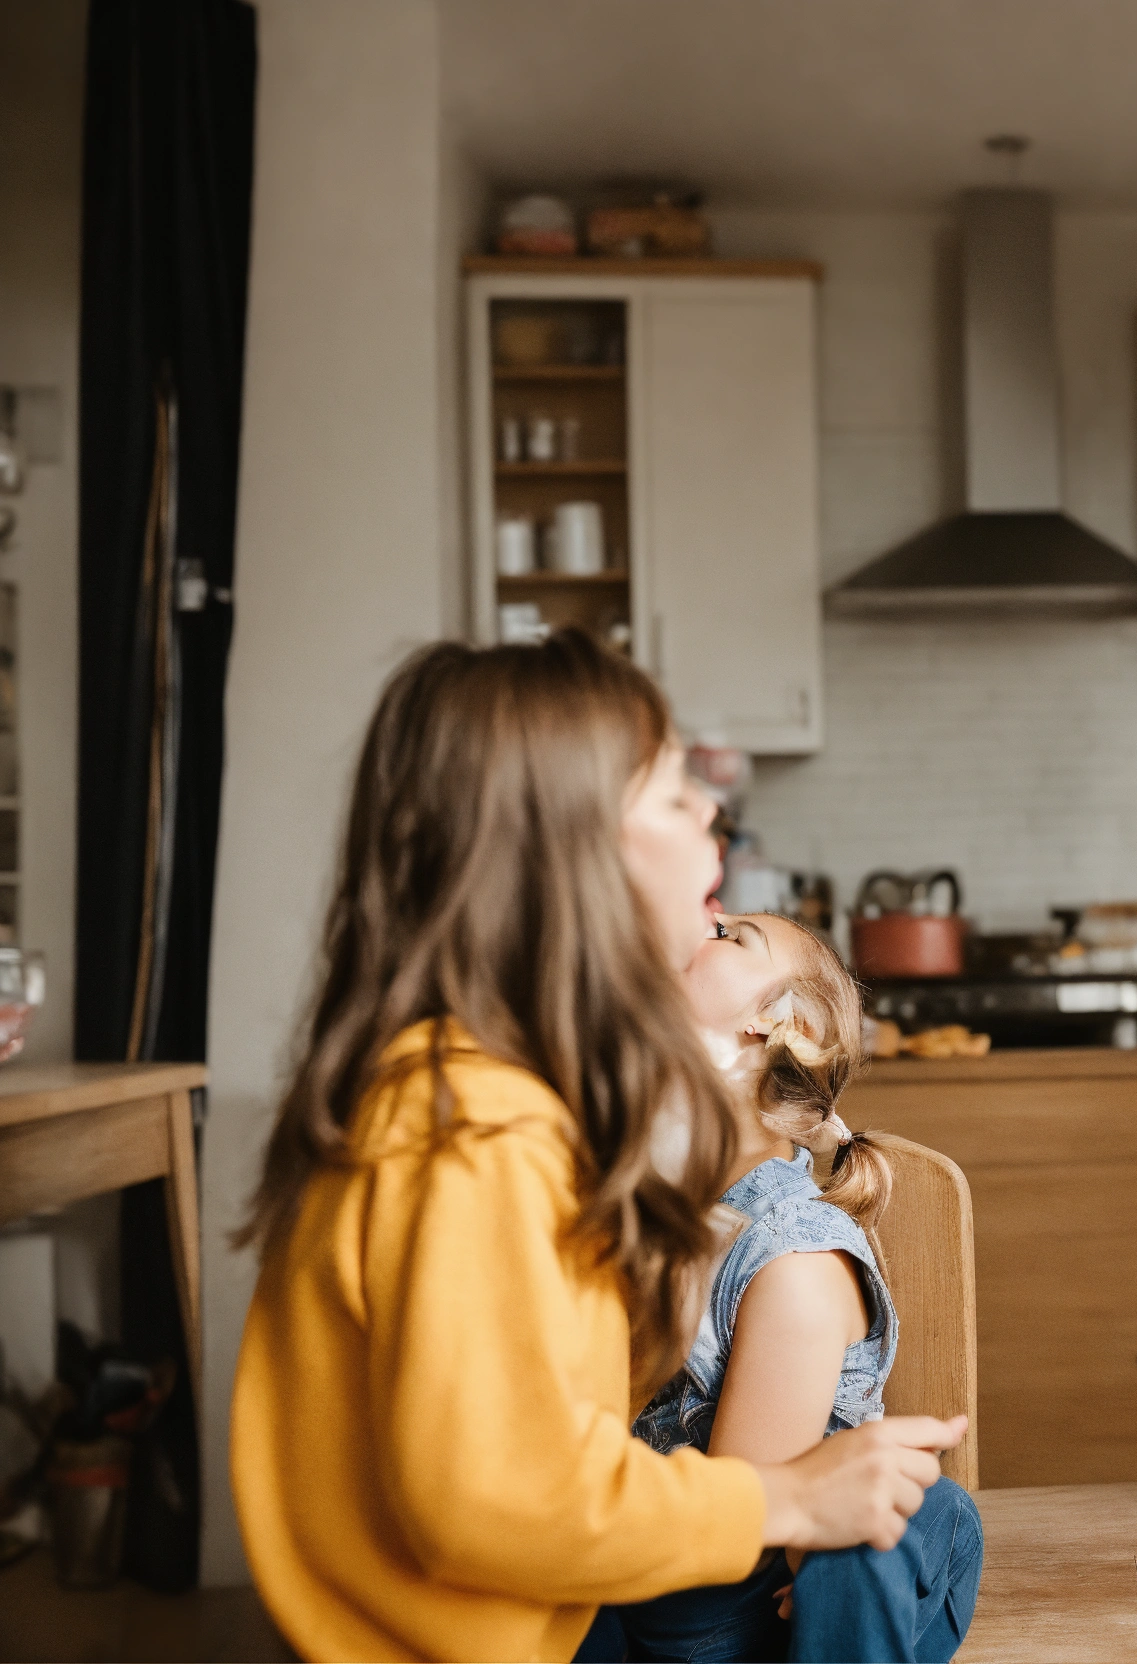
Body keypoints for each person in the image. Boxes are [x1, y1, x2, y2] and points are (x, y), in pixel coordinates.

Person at [230, 634, 964, 1663]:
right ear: (575, 859)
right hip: (477, 1640)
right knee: (938, 1525)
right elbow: (496, 1494)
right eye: (670, 793)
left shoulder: (477, 1099)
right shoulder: (471, 1133)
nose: (709, 806)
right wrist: (786, 1494)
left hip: (524, 1621)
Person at [590, 911, 982, 1662]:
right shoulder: (631, 1202)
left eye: (731, 936)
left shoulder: (792, 1259)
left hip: (737, 1604)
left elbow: (733, 1534)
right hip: (637, 1574)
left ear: (778, 1025)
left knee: (930, 1514)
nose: (700, 921)